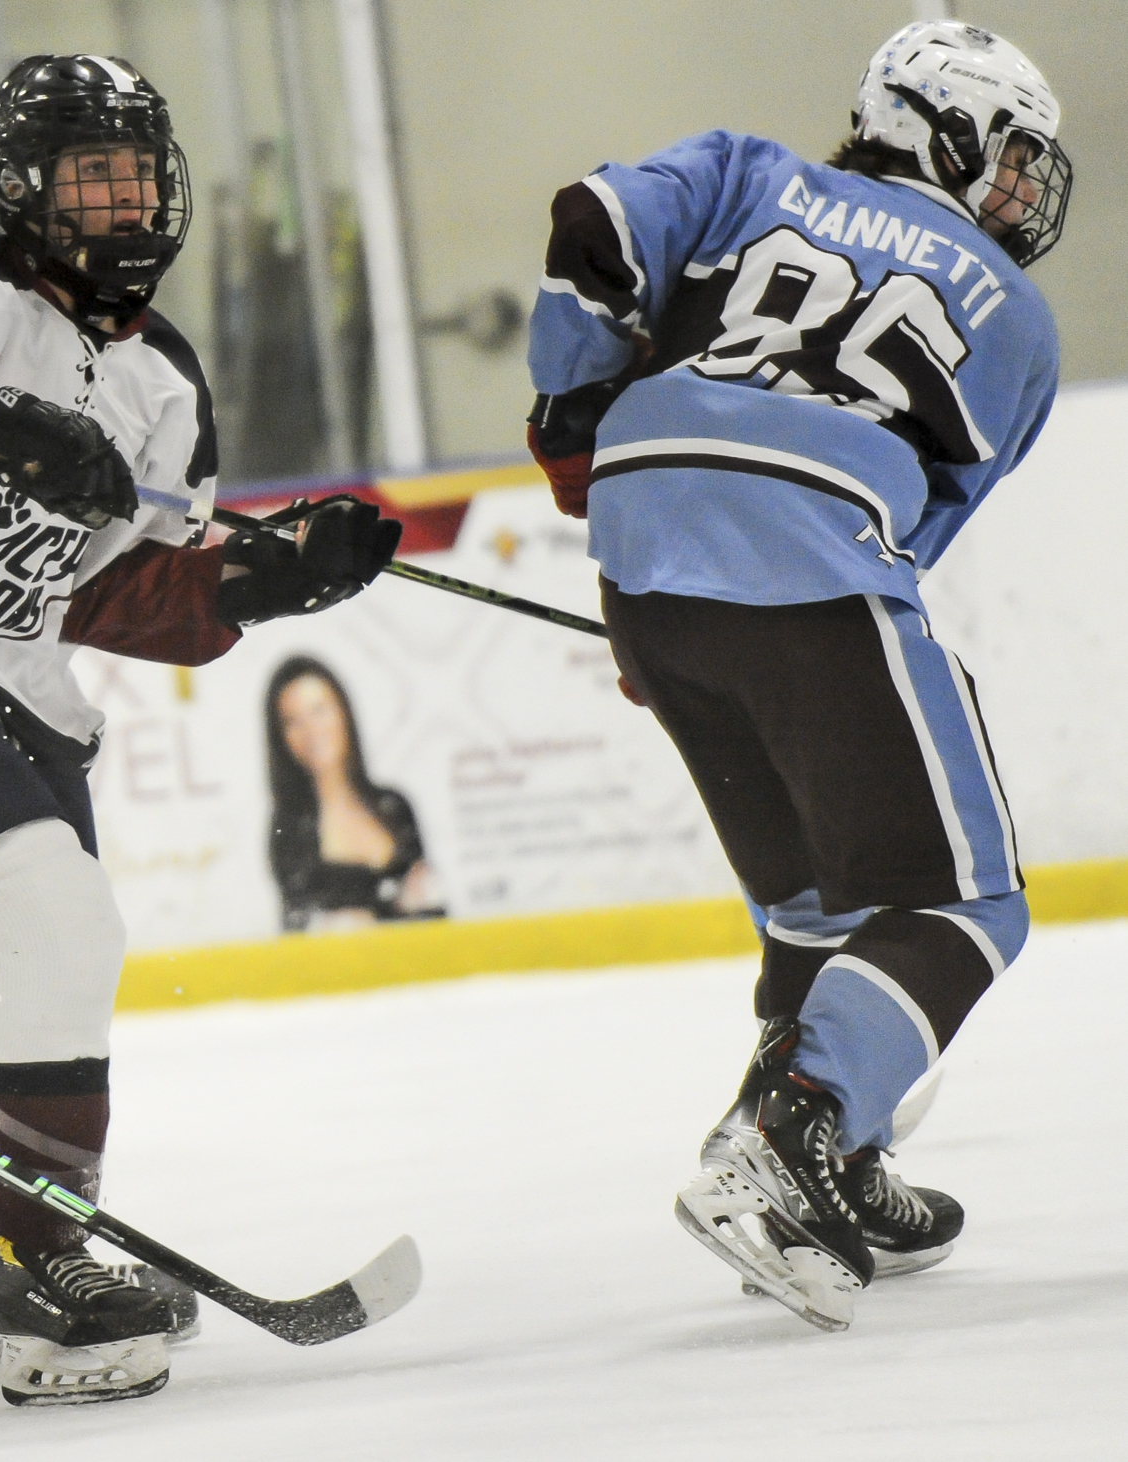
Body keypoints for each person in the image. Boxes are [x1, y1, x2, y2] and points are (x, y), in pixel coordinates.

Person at [0, 53, 401, 1406]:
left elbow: (113, 590)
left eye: (135, 174)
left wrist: (255, 580)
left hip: (18, 693)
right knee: (56, 917)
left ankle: (11, 1254)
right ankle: (41, 1252)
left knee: (46, 953)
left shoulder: (164, 380)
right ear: (18, 190)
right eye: (85, 176)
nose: (117, 202)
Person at [525, 20, 1066, 1332]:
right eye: (1005, 158)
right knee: (957, 903)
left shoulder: (739, 169)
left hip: (646, 564)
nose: (1016, 194)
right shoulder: (1011, 314)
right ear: (930, 125)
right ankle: (795, 1132)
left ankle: (834, 1143)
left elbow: (590, 223)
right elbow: (913, 525)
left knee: (820, 908)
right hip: (812, 559)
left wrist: (572, 434)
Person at [265, 656, 442, 931]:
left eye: (319, 710)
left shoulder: (394, 806)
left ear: (343, 711)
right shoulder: (289, 828)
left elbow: (432, 909)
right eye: (292, 721)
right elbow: (306, 924)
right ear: (281, 737)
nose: (311, 730)